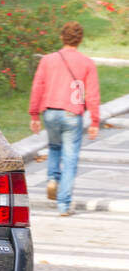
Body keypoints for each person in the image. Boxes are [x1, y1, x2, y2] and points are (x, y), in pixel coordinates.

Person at [29, 22, 100, 216]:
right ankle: (64, 204)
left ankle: (52, 178)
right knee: (70, 158)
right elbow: (92, 95)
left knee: (54, 147)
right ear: (80, 40)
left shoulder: (48, 60)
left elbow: (37, 87)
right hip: (71, 114)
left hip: (50, 112)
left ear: (62, 37)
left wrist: (34, 115)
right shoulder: (87, 63)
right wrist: (95, 121)